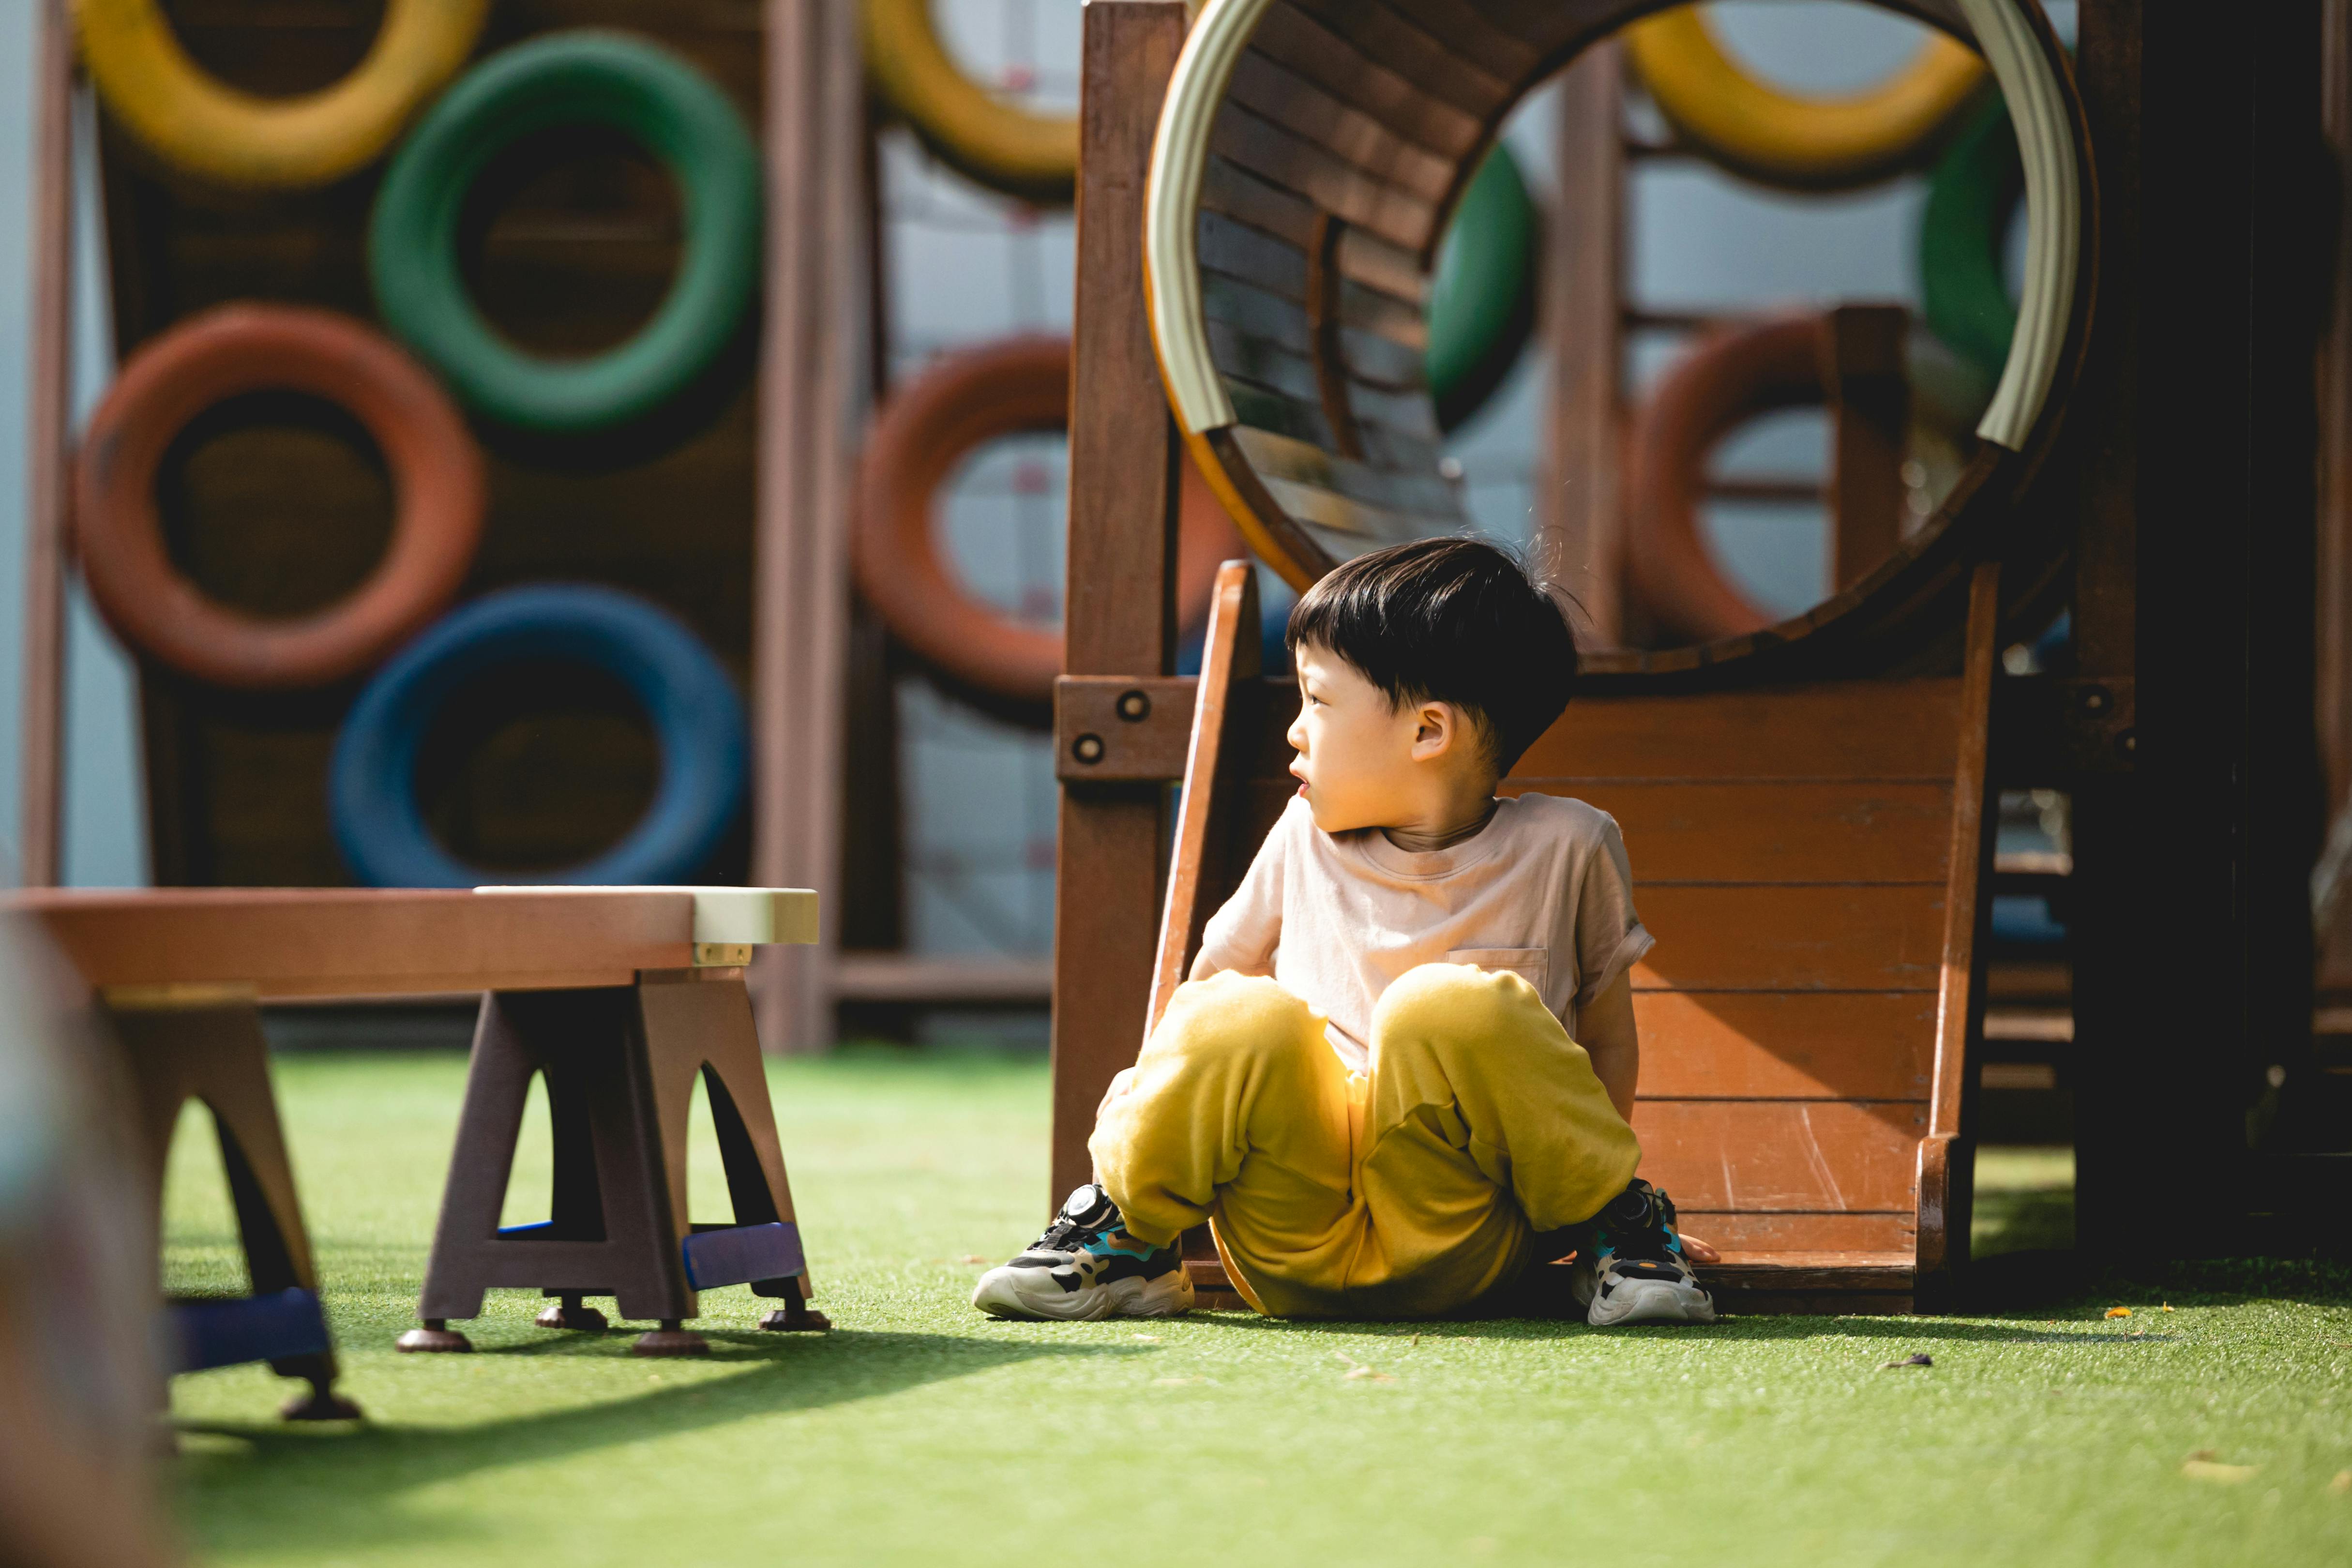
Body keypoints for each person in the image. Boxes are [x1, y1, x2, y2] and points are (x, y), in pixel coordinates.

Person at [975, 538, 1715, 1327]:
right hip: (1287, 1237)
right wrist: (1149, 1133)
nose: (1295, 730)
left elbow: (1606, 1038)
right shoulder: (1303, 836)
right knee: (1237, 1008)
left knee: (1448, 1005)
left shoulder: (1571, 846)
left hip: (1458, 1234)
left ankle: (1622, 1236)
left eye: (1318, 703)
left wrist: (1590, 1202)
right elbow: (1200, 1004)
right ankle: (1129, 1240)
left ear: (1429, 732)